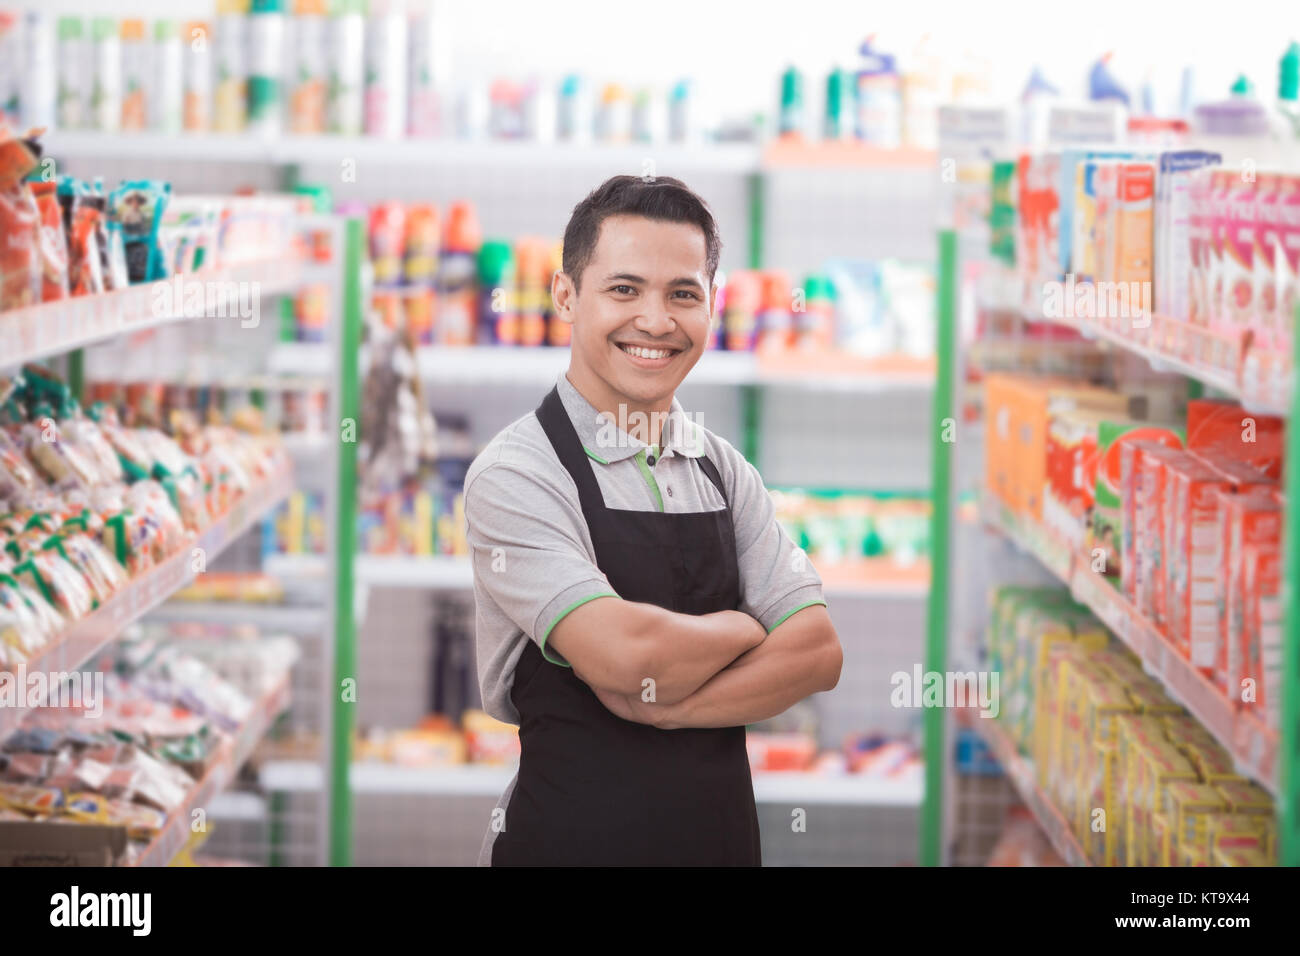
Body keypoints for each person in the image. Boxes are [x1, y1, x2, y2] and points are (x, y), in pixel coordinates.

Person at [466, 174, 842, 866]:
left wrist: (669, 706)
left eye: (683, 294)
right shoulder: (517, 473)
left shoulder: (723, 472)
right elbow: (625, 655)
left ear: (711, 307)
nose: (656, 320)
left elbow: (818, 652)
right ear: (565, 296)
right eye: (624, 289)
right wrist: (743, 625)